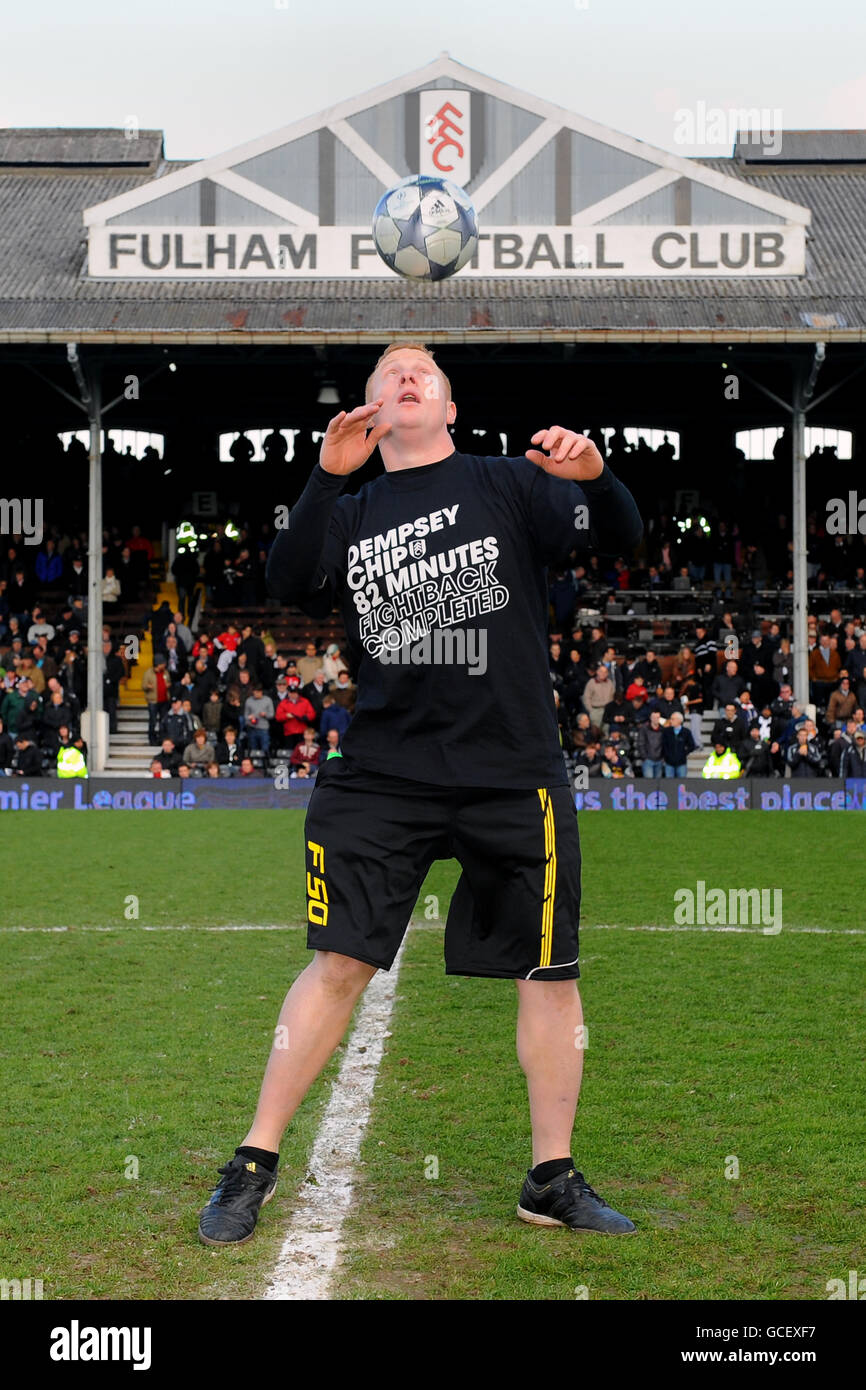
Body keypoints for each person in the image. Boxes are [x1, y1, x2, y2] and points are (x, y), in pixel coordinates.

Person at [198, 341, 642, 1248]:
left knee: (550, 974)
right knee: (339, 966)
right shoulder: (353, 509)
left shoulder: (510, 483)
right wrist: (325, 476)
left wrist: (597, 477)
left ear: (448, 405)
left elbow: (621, 540)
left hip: (513, 771)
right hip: (382, 776)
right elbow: (287, 580)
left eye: (425, 371)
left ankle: (551, 1176)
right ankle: (253, 1162)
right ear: (368, 409)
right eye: (389, 372)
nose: (408, 376)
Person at [661, 710, 695, 776]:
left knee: (681, 783)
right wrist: (667, 756)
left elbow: (692, 745)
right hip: (669, 763)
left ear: (679, 720)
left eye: (673, 719)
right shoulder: (666, 731)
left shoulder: (686, 732)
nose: (671, 721)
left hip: (681, 763)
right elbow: (664, 745)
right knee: (669, 784)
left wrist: (684, 753)